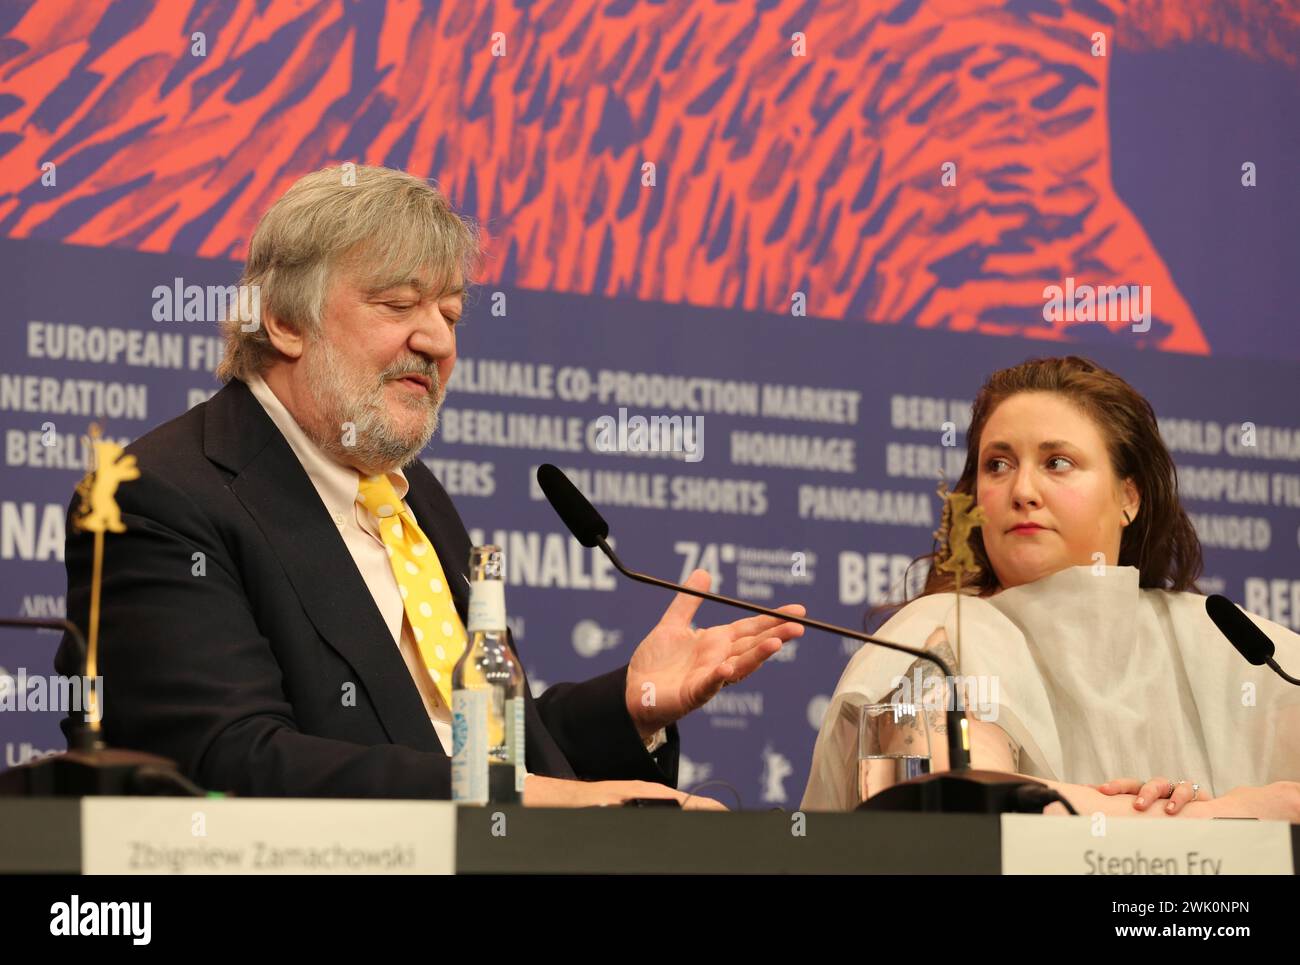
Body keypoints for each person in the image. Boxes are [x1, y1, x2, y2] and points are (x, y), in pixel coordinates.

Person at [55, 165, 804, 807]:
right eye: (398, 304)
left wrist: (631, 703)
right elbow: (230, 762)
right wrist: (518, 796)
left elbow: (442, 741)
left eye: (449, 311)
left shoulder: (412, 501)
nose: (439, 340)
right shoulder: (160, 498)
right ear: (283, 319)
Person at [802, 356, 1300, 820]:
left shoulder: (1228, 641)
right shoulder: (939, 632)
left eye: (1057, 462)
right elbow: (953, 804)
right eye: (998, 464)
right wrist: (1214, 815)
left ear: (1129, 496)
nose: (1022, 492)